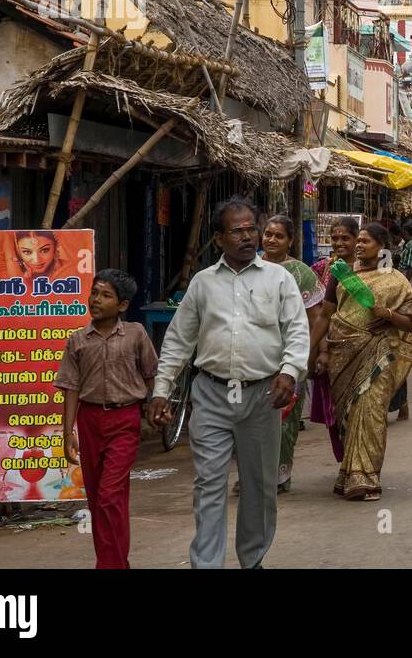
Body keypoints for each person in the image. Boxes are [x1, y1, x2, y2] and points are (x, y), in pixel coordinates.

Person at [150, 197, 309, 568]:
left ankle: (252, 559)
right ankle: (206, 563)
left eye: (251, 228)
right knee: (208, 483)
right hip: (211, 394)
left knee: (259, 487)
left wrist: (289, 371)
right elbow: (177, 340)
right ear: (219, 238)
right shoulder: (203, 284)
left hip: (262, 395)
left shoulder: (279, 278)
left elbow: (298, 331)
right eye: (237, 231)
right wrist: (162, 390)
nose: (248, 236)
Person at [311, 223, 412, 500]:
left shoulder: (395, 279)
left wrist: (386, 313)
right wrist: (313, 351)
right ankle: (348, 472)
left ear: (381, 246)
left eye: (366, 241)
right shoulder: (341, 273)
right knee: (348, 417)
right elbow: (325, 316)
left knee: (371, 413)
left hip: (377, 354)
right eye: (359, 241)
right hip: (342, 355)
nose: (360, 245)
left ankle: (366, 477)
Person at [55, 268, 156, 569]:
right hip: (88, 420)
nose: (96, 300)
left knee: (110, 495)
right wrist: (67, 432)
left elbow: (151, 374)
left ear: (122, 305)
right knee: (100, 500)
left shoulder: (136, 334)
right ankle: (114, 562)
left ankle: (110, 565)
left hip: (125, 419)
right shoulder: (77, 340)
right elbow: (70, 387)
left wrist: (153, 406)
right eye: (94, 293)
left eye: (106, 295)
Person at [261, 214, 324, 493]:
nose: (271, 240)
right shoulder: (249, 267)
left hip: (290, 356)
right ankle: (253, 475)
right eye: (268, 234)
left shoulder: (301, 273)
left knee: (284, 419)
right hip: (254, 357)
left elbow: (316, 317)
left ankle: (279, 476)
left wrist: (315, 353)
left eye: (278, 235)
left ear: (290, 240)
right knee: (251, 420)